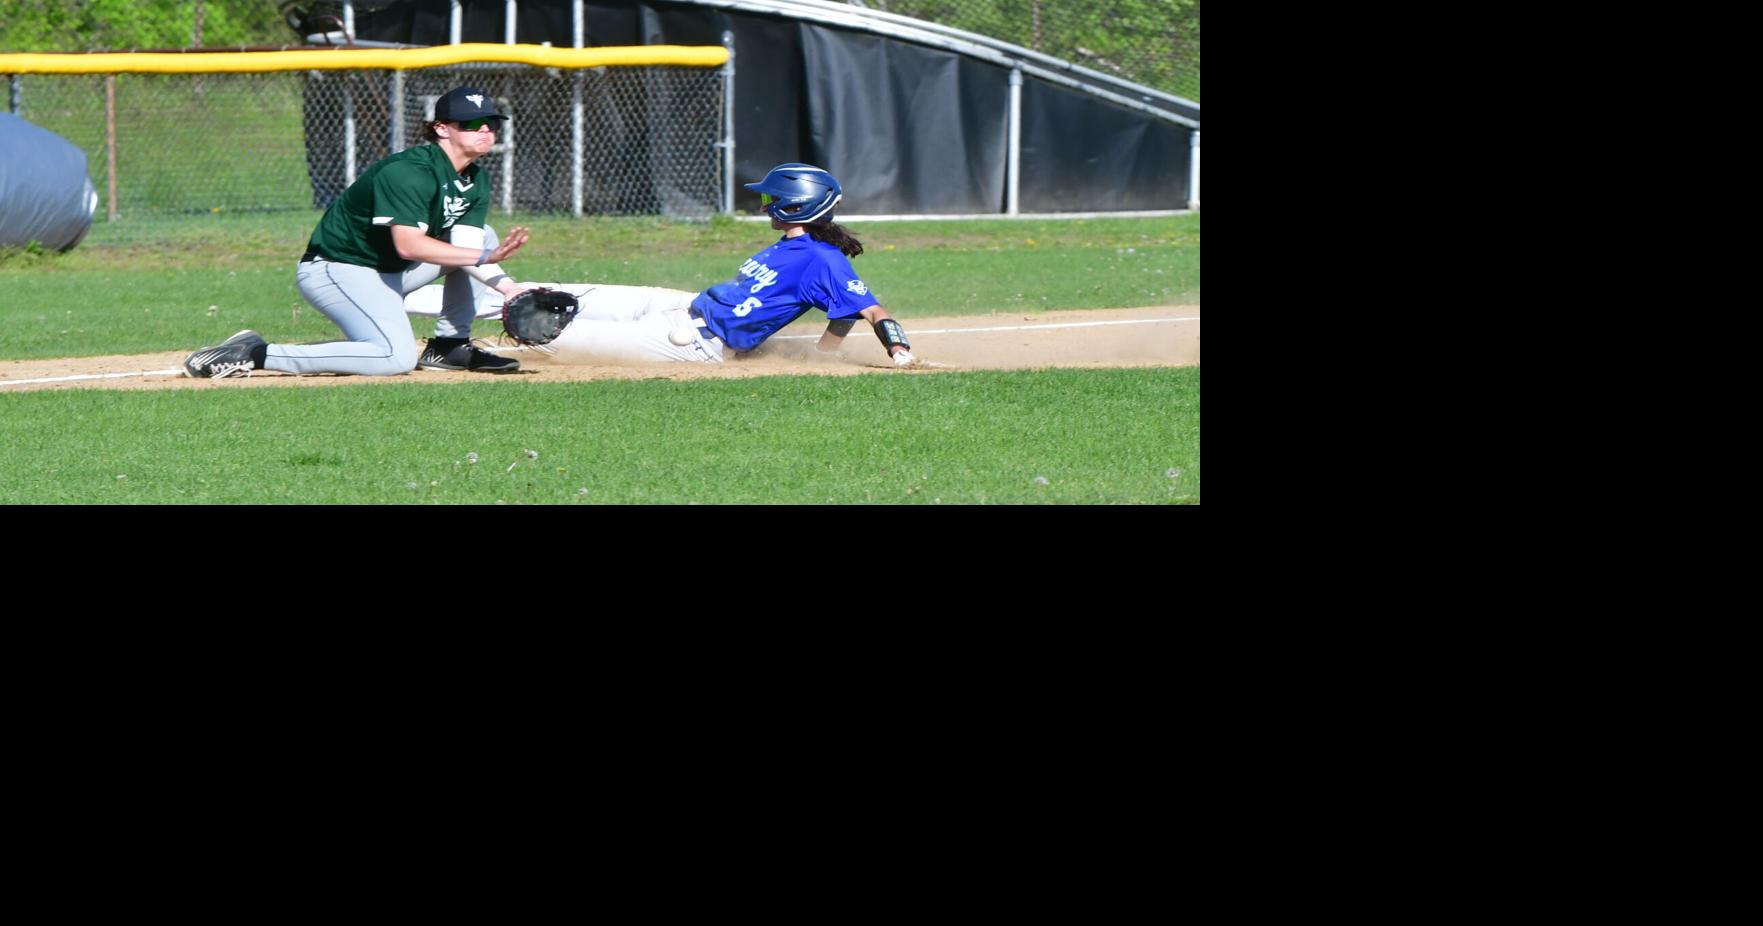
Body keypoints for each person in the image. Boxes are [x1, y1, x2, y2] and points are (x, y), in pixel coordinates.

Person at [406, 163, 921, 367]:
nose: (763, 204)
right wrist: (823, 353)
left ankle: (438, 339)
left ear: (793, 206)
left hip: (691, 342)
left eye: (771, 199)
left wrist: (900, 354)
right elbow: (841, 311)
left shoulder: (823, 260)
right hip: (683, 308)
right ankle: (403, 299)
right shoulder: (796, 246)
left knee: (541, 327)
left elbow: (869, 312)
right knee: (545, 292)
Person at [183, 86, 534, 379]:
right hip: (339, 269)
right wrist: (484, 257)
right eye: (471, 123)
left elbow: (470, 248)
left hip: (390, 272)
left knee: (483, 236)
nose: (485, 130)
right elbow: (409, 245)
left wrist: (510, 289)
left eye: (491, 123)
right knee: (394, 358)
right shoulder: (409, 172)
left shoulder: (475, 179)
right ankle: (255, 353)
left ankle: (449, 347)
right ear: (442, 129)